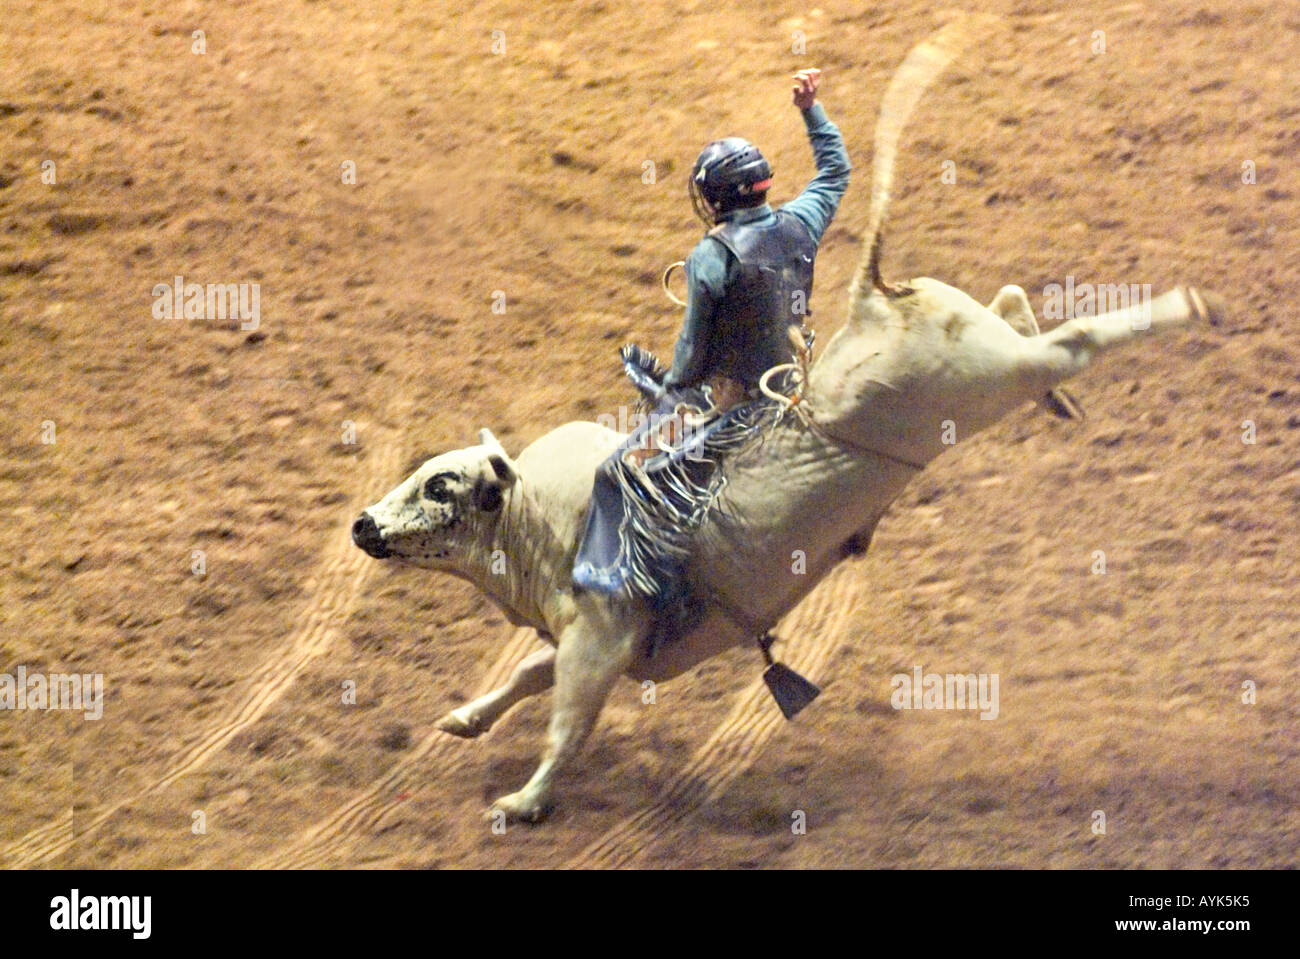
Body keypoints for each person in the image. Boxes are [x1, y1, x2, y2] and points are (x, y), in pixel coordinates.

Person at [571, 68, 851, 648]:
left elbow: (694, 352)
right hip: (796, 385)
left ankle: (625, 590)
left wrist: (666, 386)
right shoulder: (803, 221)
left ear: (716, 198)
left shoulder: (711, 257)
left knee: (618, 475)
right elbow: (836, 169)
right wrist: (811, 111)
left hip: (736, 401)